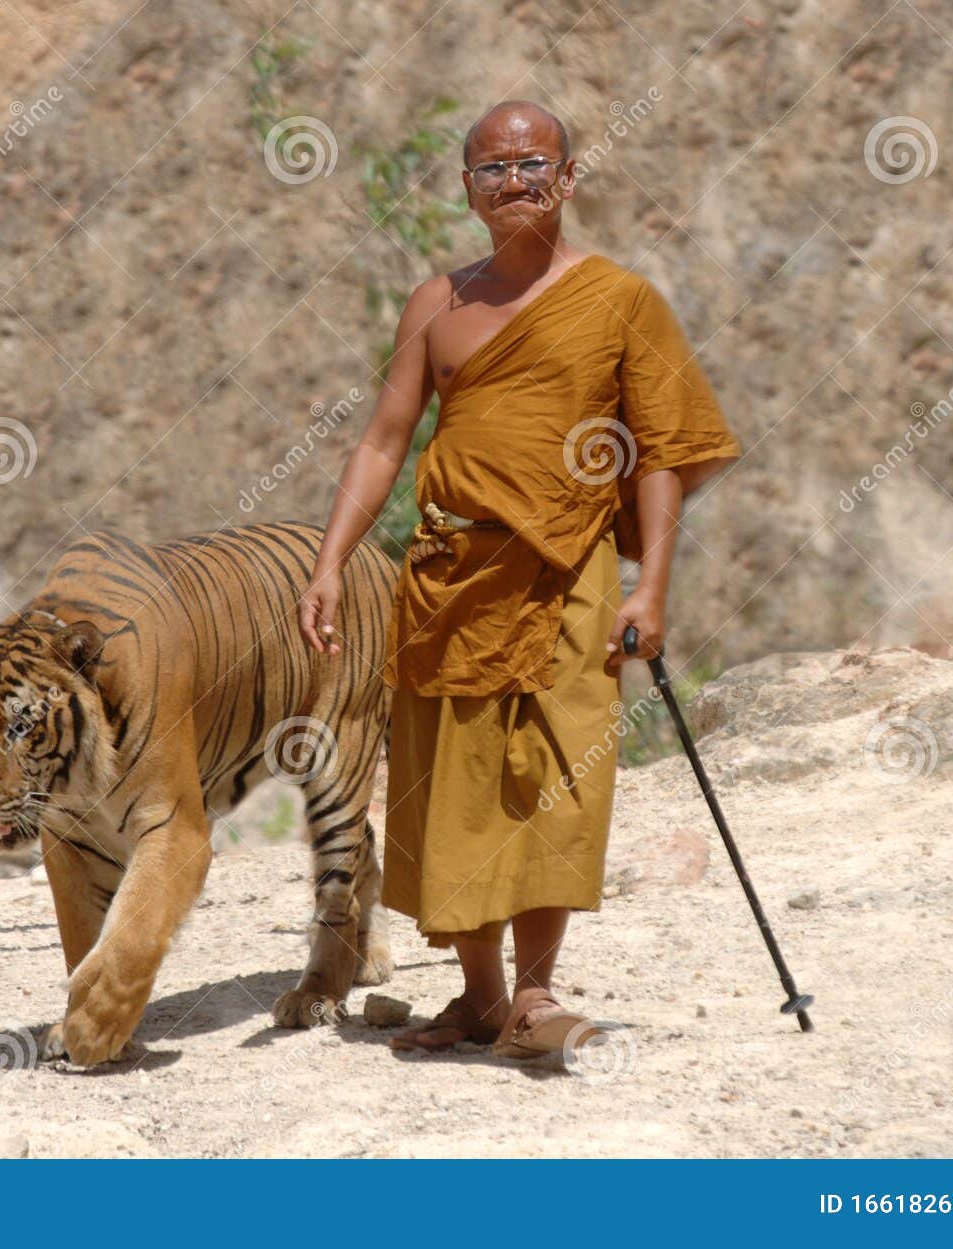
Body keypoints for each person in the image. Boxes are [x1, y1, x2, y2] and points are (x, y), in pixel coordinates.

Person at [299, 99, 740, 1056]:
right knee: (451, 783)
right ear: (467, 189)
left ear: (569, 178)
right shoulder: (436, 304)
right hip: (449, 573)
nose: (513, 182)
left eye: (532, 163)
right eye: (492, 169)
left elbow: (662, 451)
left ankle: (537, 995)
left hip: (567, 574)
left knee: (557, 777)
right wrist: (331, 561)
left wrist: (650, 588)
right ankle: (480, 996)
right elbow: (383, 442)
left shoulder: (621, 300)